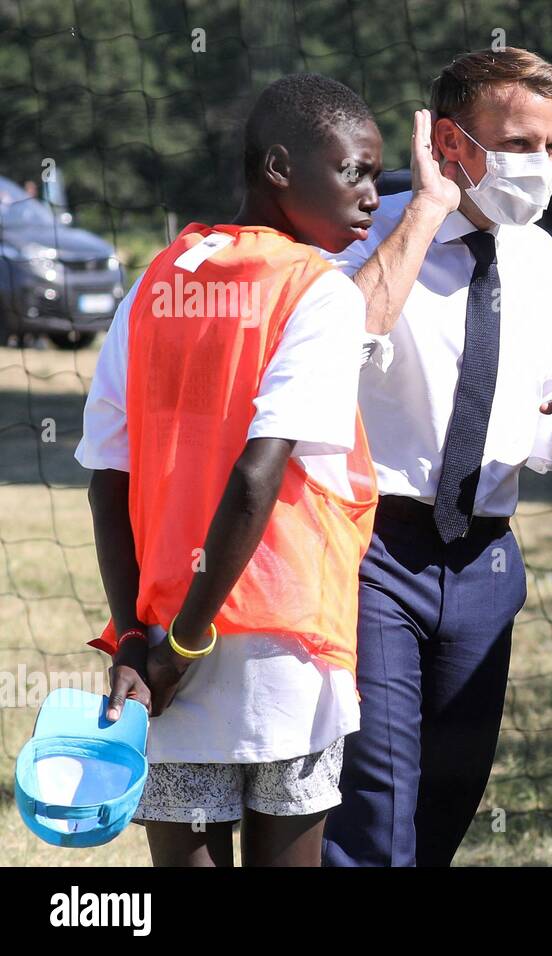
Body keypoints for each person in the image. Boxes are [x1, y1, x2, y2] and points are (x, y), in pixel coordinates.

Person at [76, 74, 387, 866]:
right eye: (354, 170)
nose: (371, 195)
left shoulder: (154, 280)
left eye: (378, 176)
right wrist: (178, 646)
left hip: (164, 638)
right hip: (278, 636)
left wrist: (138, 641)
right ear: (279, 166)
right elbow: (257, 477)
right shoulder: (319, 290)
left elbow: (107, 478)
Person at [321, 47, 552, 867]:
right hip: (376, 549)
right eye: (521, 145)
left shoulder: (544, 262)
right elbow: (335, 349)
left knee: (446, 805)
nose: (542, 168)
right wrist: (422, 215)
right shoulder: (367, 236)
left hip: (484, 561)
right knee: (374, 812)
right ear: (450, 142)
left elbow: (551, 422)